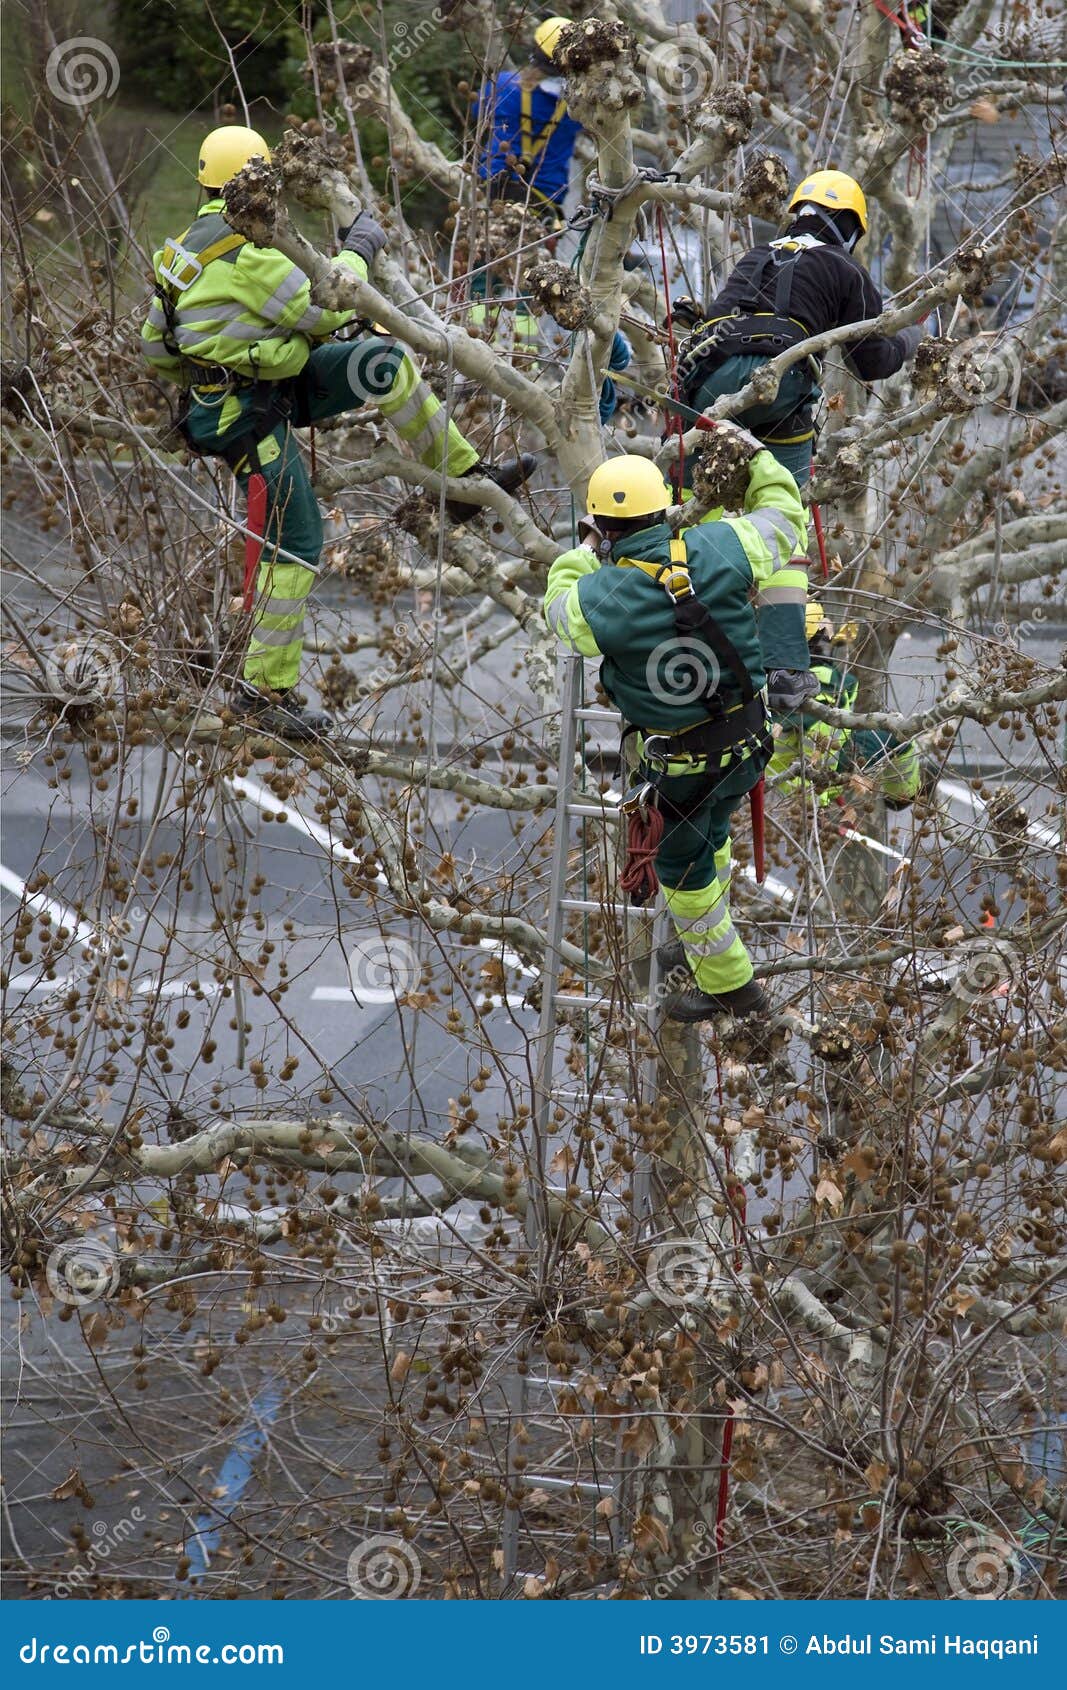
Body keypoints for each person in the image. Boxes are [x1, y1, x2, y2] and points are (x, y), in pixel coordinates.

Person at [141, 125, 535, 739]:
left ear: (204, 183)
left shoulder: (178, 250)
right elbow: (328, 305)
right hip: (246, 413)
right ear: (259, 182)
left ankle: (459, 482)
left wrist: (231, 356)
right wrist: (360, 248)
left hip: (254, 391)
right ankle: (261, 691)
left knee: (385, 363)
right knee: (294, 538)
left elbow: (155, 348)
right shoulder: (248, 247)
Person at [543, 434, 813, 1023]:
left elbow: (559, 612)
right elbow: (785, 519)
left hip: (680, 769)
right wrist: (757, 456)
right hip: (747, 749)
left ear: (604, 528)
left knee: (681, 869)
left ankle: (733, 988)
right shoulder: (719, 545)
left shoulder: (599, 593)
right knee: (711, 831)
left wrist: (585, 550)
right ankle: (707, 953)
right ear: (667, 508)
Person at [673, 170, 926, 485]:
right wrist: (911, 338)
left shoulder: (755, 256)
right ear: (849, 227)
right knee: (784, 506)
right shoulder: (847, 269)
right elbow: (871, 361)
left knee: (688, 493)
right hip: (782, 388)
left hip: (710, 379)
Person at [768, 601, 922, 808]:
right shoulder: (828, 682)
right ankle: (902, 797)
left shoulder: (767, 674)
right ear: (818, 640)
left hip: (774, 771)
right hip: (807, 780)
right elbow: (820, 735)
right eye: (825, 629)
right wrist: (815, 792)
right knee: (898, 735)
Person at [473, 18, 582, 220]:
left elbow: (476, 111)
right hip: (542, 205)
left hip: (491, 195)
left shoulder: (503, 86)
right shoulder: (577, 109)